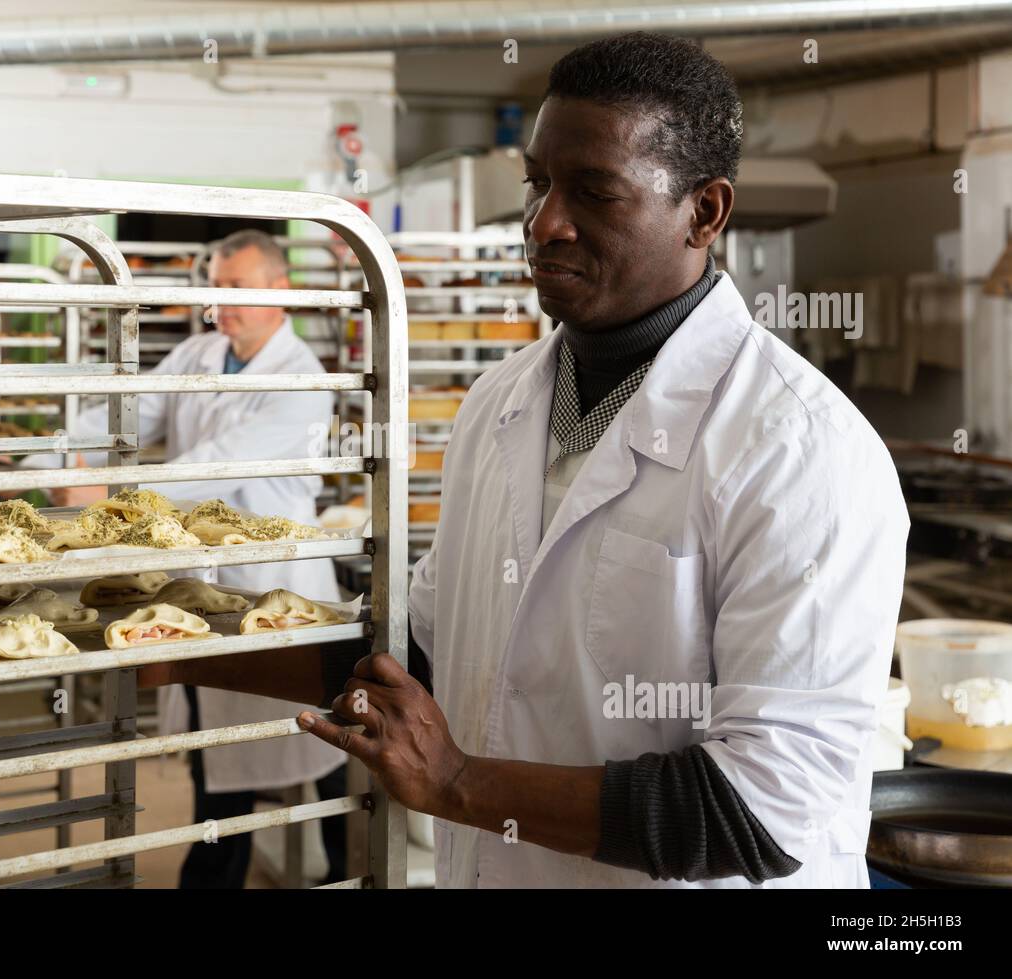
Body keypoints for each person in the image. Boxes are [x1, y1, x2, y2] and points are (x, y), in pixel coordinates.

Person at [146, 33, 909, 889]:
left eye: (594, 191)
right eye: (537, 183)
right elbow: (423, 654)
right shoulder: (498, 404)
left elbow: (766, 811)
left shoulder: (799, 451)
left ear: (705, 213)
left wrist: (462, 783)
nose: (544, 220)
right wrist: (170, 644)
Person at [53, 230, 349, 887]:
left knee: (324, 753)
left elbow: (219, 466)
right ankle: (223, 869)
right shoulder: (198, 351)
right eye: (213, 285)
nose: (220, 302)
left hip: (277, 593)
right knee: (218, 764)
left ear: (281, 292)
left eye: (235, 288)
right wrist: (52, 453)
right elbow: (128, 416)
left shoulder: (304, 381)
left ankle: (349, 869)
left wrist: (111, 493)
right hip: (205, 594)